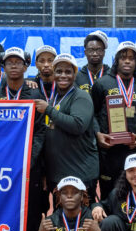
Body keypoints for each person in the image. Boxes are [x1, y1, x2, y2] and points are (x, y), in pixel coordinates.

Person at [0, 46, 46, 231]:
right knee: (7, 212)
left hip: (29, 167)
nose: (13, 65)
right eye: (9, 62)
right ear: (3, 65)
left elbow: (40, 132)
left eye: (18, 62)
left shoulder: (34, 95)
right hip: (2, 168)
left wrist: (27, 161)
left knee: (31, 214)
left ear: (25, 66)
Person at [90, 41, 136, 199]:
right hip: (108, 151)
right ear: (116, 61)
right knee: (108, 195)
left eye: (131, 58)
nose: (127, 61)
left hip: (134, 150)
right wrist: (97, 134)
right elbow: (92, 114)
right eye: (123, 58)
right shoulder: (102, 83)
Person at [36, 54, 99, 195]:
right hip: (58, 173)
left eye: (68, 72)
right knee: (61, 217)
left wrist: (48, 110)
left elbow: (77, 125)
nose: (63, 75)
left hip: (80, 172)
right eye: (59, 71)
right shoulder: (54, 98)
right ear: (53, 74)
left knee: (83, 216)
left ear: (75, 74)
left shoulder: (81, 96)